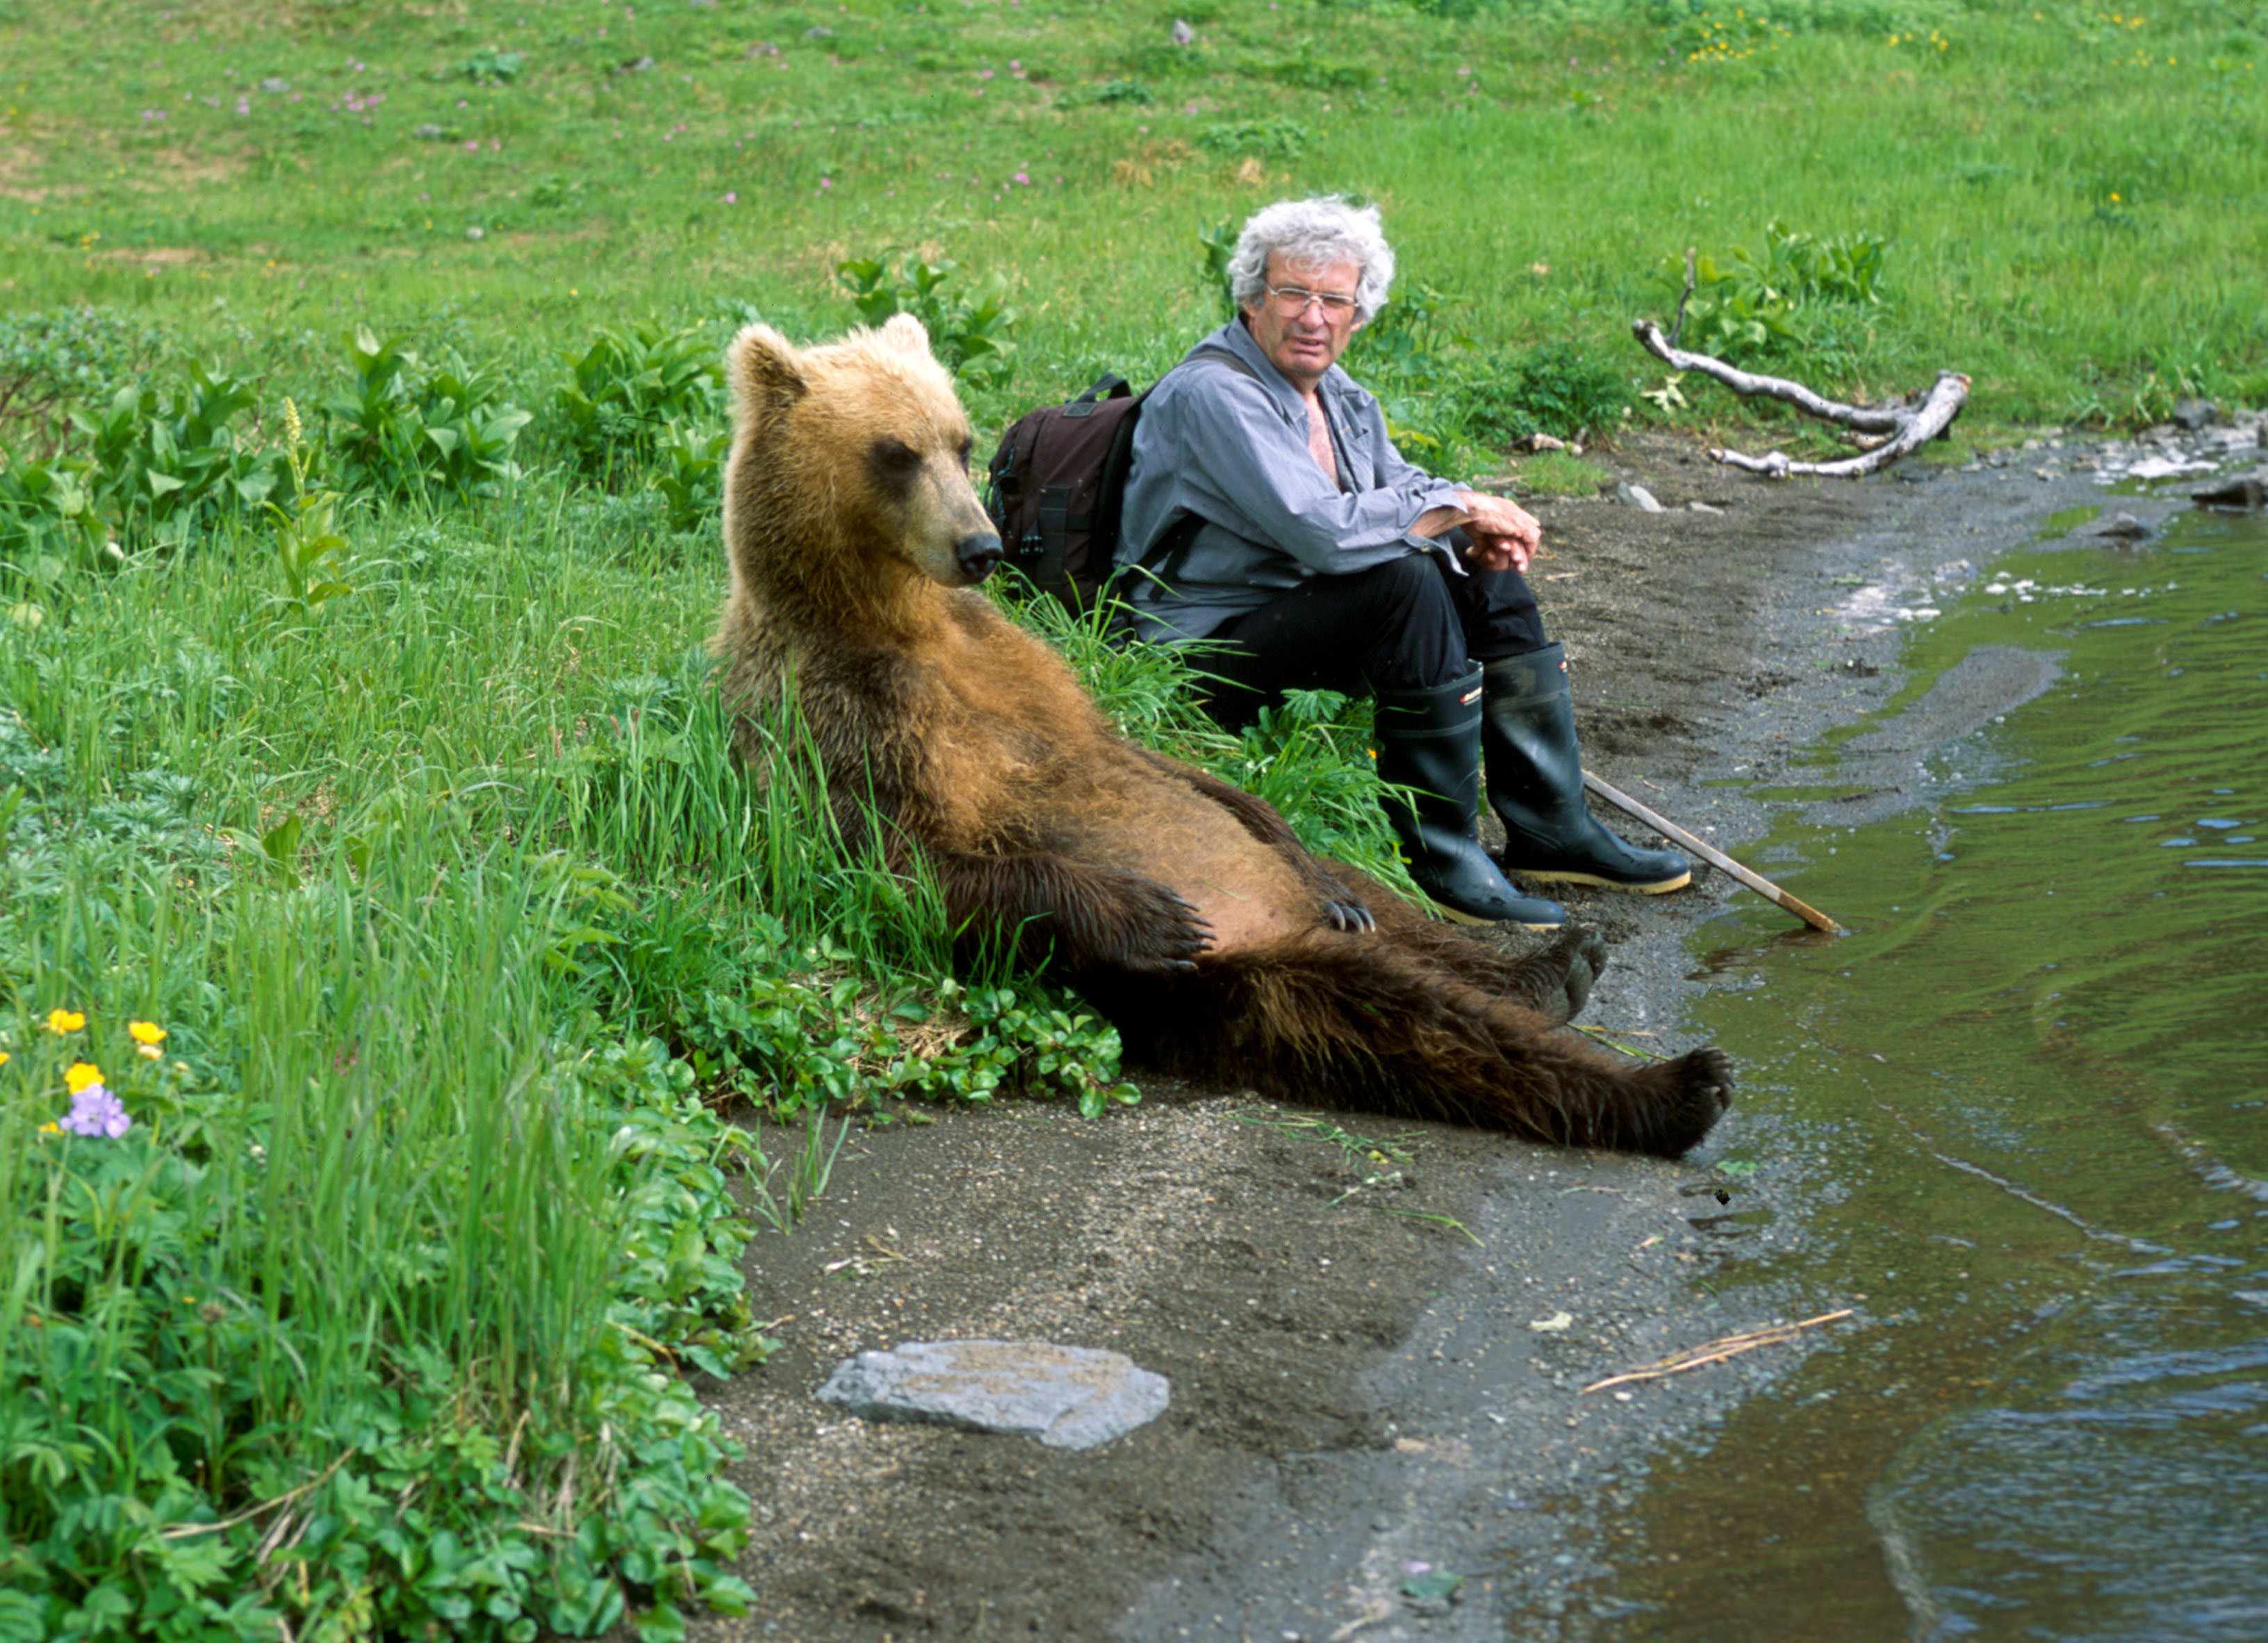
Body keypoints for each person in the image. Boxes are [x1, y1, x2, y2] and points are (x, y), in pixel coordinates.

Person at [1117, 196, 1690, 929]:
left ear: (1359, 313)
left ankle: (1555, 830)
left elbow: (1403, 495)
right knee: (1404, 577)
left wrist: (1471, 529)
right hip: (1202, 657)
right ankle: (1441, 857)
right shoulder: (1215, 394)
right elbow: (1322, 534)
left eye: (1335, 300)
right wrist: (1459, 504)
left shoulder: (1340, 396)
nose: (1313, 317)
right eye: (1294, 293)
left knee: (1473, 563)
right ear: (1254, 299)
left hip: (1303, 621)